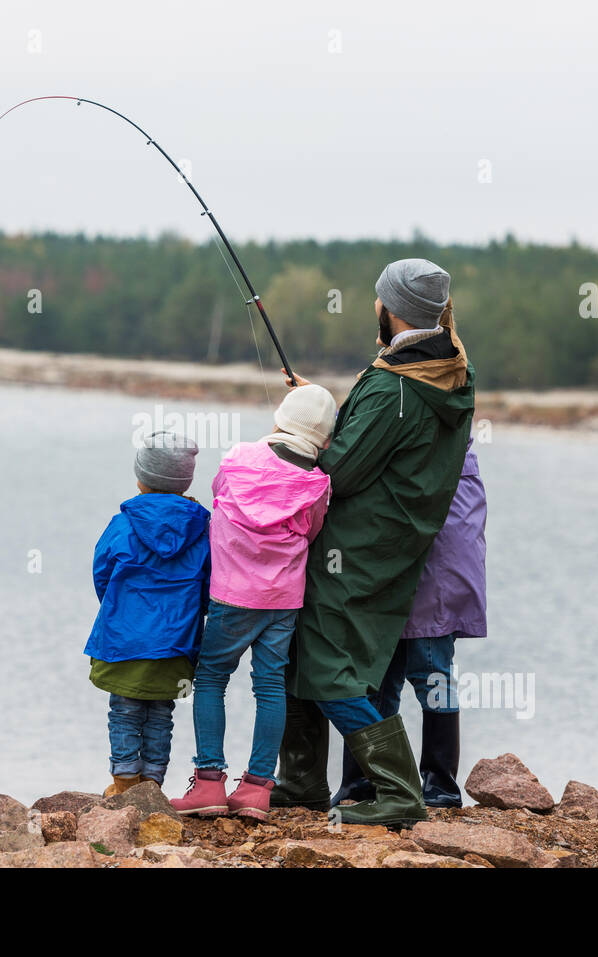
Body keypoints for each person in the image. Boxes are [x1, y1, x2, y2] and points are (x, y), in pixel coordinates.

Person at [276, 258, 475, 829]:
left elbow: (340, 469)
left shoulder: (394, 386)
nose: (372, 309)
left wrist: (306, 433)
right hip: (398, 545)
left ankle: (399, 791)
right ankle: (302, 783)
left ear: (390, 309)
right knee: (302, 652)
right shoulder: (449, 370)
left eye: (375, 301)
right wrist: (326, 404)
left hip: (356, 548)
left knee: (322, 662)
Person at [170, 385, 338, 821]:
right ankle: (258, 789)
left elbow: (220, 496)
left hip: (231, 595)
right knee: (269, 685)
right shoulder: (318, 484)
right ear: (323, 439)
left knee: (210, 679)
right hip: (283, 599)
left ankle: (208, 783)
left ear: (281, 418)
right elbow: (313, 531)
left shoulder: (238, 458)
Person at [330, 436, 487, 810]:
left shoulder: (438, 443)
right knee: (376, 678)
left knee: (430, 674)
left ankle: (440, 784)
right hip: (397, 573)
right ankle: (367, 782)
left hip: (432, 576)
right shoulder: (427, 426)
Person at [85, 430, 210, 796]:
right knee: (161, 712)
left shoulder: (123, 524)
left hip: (125, 636)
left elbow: (102, 574)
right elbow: (208, 583)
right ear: (184, 481)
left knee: (123, 709)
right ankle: (152, 784)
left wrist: (119, 609)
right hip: (177, 640)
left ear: (140, 478)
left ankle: (124, 781)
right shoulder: (202, 528)